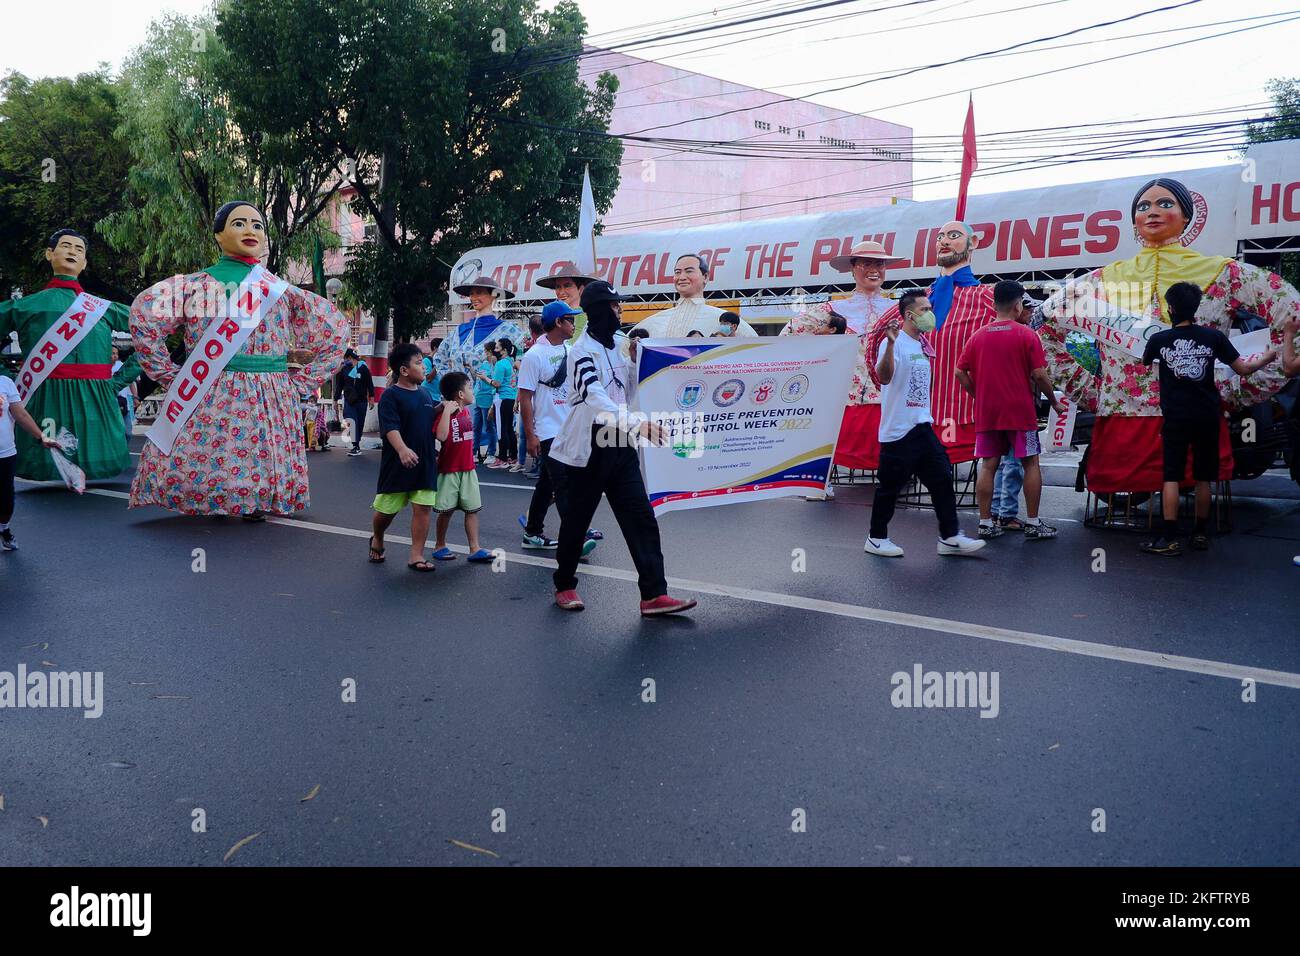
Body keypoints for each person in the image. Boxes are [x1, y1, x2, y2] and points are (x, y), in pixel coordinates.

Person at [1036, 177, 1299, 497]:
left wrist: (1237, 391)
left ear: (1186, 216)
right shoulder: (1101, 280)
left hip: (1196, 419)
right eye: (1143, 206)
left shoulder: (1224, 273)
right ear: (1133, 220)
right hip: (1124, 430)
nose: (1153, 212)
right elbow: (1045, 330)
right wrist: (1094, 393)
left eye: (1165, 203)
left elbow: (1292, 313)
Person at [129, 201, 349, 518]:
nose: (250, 230)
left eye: (257, 225)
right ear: (218, 235)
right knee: (222, 449)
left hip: (258, 386)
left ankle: (251, 500)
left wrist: (302, 382)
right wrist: (168, 374)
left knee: (240, 448)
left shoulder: (280, 290)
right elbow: (143, 316)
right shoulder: (195, 286)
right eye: (239, 223)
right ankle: (231, 499)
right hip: (213, 382)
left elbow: (335, 330)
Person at [548, 280, 698, 616]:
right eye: (615, 306)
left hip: (620, 442)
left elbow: (626, 389)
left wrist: (632, 363)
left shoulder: (618, 343)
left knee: (641, 518)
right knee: (576, 521)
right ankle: (565, 584)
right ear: (600, 310)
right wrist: (637, 424)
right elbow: (595, 398)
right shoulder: (579, 352)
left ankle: (654, 595)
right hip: (588, 446)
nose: (620, 311)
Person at [1138, 282, 1275, 555]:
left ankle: (1170, 538)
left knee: (1172, 477)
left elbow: (1144, 365)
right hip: (1207, 415)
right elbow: (1244, 369)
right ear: (1196, 308)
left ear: (1171, 308)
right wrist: (1268, 357)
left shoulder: (1158, 340)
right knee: (1204, 477)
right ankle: (1200, 534)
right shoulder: (1213, 338)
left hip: (1175, 416)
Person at [0, 229, 135, 482]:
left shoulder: (104, 308)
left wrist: (119, 380)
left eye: (79, 249)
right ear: (49, 254)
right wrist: (6, 380)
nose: (72, 251)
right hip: (44, 390)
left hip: (96, 394)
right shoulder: (26, 305)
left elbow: (152, 329)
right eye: (65, 246)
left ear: (84, 264)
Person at [864, 291, 985, 559]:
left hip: (922, 426)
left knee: (942, 478)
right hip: (898, 431)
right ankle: (876, 537)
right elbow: (885, 378)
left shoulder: (921, 344)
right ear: (910, 315)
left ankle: (950, 537)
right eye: (925, 309)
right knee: (889, 487)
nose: (931, 314)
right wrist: (892, 345)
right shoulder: (894, 343)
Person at [785, 240, 907, 499]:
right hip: (846, 394)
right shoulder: (832, 310)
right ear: (853, 269)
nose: (874, 269)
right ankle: (820, 482)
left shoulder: (899, 311)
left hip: (890, 393)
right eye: (866, 264)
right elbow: (790, 334)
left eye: (879, 264)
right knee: (829, 437)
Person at [866, 223, 997, 462]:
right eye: (940, 237)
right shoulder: (917, 303)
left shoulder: (986, 298)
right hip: (916, 418)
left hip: (965, 413)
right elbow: (874, 342)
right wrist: (889, 386)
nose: (944, 241)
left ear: (973, 242)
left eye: (954, 236)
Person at [955, 280, 1065, 541]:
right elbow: (1039, 374)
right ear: (1018, 305)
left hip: (988, 412)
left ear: (994, 305)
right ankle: (1033, 522)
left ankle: (985, 523)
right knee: (1030, 463)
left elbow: (960, 371)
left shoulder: (978, 336)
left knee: (989, 465)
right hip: (1020, 411)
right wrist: (1054, 400)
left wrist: (978, 394)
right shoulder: (1027, 334)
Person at [517, 299, 600, 555]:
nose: (574, 324)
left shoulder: (570, 350)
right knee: (564, 482)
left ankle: (532, 531)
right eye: (570, 320)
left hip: (570, 427)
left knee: (547, 483)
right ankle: (576, 535)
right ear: (557, 323)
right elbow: (525, 397)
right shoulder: (534, 356)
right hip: (547, 429)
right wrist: (531, 436)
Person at [369, 343, 440, 571]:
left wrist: (445, 408)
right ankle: (378, 537)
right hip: (398, 463)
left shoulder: (425, 393)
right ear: (404, 370)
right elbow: (390, 426)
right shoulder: (391, 395)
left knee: (423, 508)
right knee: (386, 511)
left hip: (425, 461)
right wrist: (402, 449)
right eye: (419, 363)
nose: (423, 367)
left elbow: (427, 416)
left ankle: (416, 555)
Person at [431, 371, 494, 563]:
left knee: (472, 509)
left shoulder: (466, 411)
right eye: (469, 387)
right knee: (446, 511)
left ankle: (474, 548)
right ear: (459, 394)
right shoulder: (444, 413)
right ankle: (439, 545)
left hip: (468, 468)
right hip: (448, 469)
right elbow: (441, 436)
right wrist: (446, 413)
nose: (472, 390)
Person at [1, 374, 64, 550]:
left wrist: (42, 437)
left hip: (5, 454)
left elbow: (20, 414)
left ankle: (4, 529)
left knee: (6, 501)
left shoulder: (5, 382)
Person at [636, 254, 759, 339]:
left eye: (689, 271)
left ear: (705, 277)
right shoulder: (653, 322)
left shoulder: (723, 320)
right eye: (677, 272)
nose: (682, 277)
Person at [537, 265, 597, 341]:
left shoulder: (587, 315)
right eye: (558, 287)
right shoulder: (553, 314)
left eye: (567, 286)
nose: (561, 292)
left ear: (580, 289)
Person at [335, 348, 374, 457]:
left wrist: (371, 398)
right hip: (349, 401)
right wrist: (335, 399)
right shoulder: (345, 369)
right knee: (351, 420)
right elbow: (339, 385)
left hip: (361, 401)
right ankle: (355, 445)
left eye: (346, 358)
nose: (345, 360)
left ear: (350, 358)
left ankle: (356, 445)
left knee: (359, 423)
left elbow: (369, 384)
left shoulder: (363, 369)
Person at [490, 338, 518, 469]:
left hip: (502, 397)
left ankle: (502, 458)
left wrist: (485, 378)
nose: (494, 350)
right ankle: (513, 456)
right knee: (509, 428)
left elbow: (496, 383)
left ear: (504, 350)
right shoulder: (511, 362)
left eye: (496, 348)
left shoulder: (501, 364)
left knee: (502, 429)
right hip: (511, 397)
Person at [472, 340, 500, 464]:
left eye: (486, 351)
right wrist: (471, 369)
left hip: (488, 398)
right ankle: (473, 452)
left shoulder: (495, 364)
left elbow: (494, 382)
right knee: (476, 426)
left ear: (490, 351)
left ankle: (491, 453)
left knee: (489, 426)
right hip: (478, 398)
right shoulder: (483, 364)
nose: (484, 353)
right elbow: (477, 379)